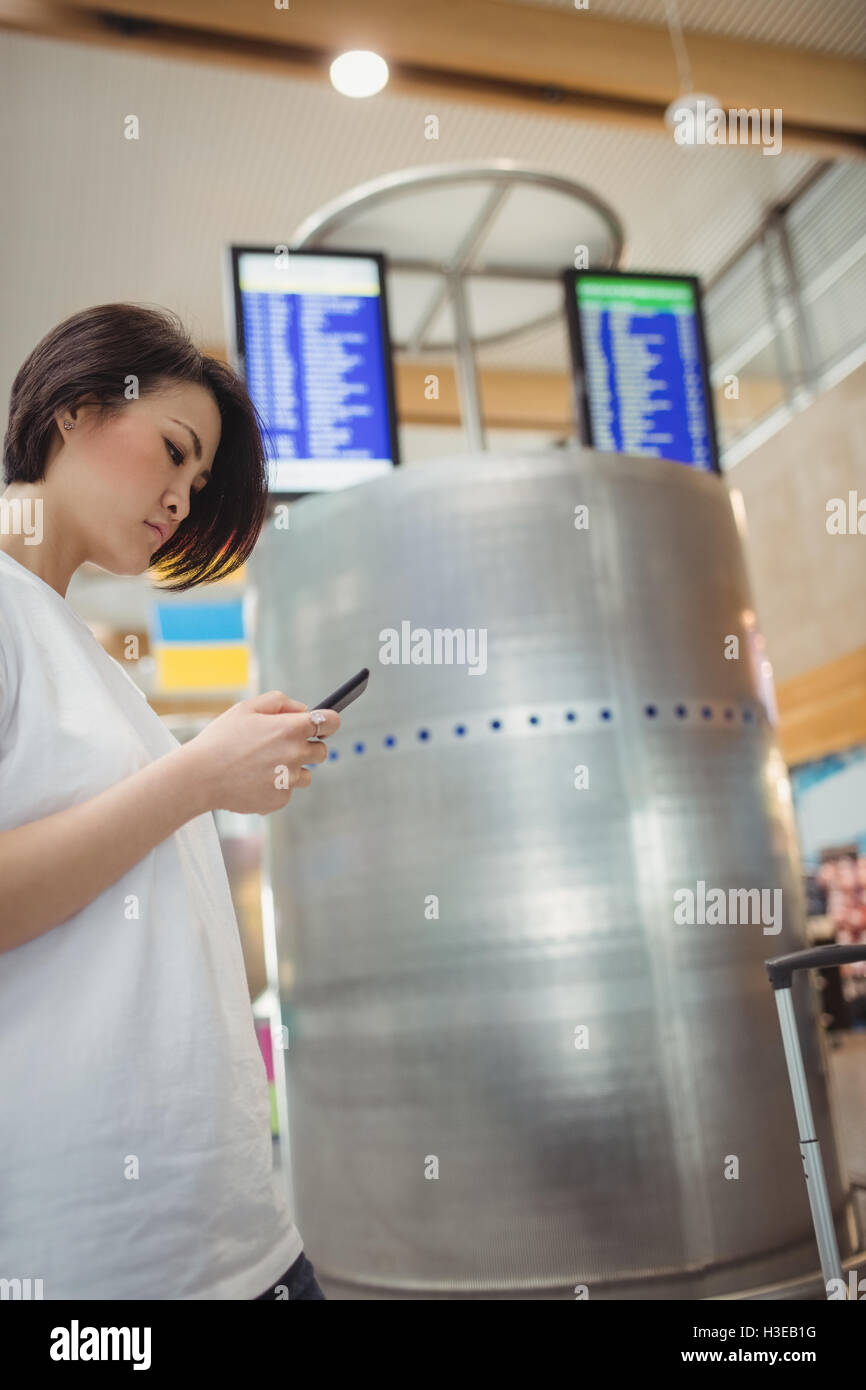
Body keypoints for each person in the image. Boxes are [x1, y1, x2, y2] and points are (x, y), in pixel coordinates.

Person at [0, 303, 337, 1299]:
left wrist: (205, 776)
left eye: (197, 484)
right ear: (73, 408)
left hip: (231, 1238)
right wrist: (196, 777)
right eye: (175, 453)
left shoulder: (79, 651)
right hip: (102, 1268)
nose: (182, 500)